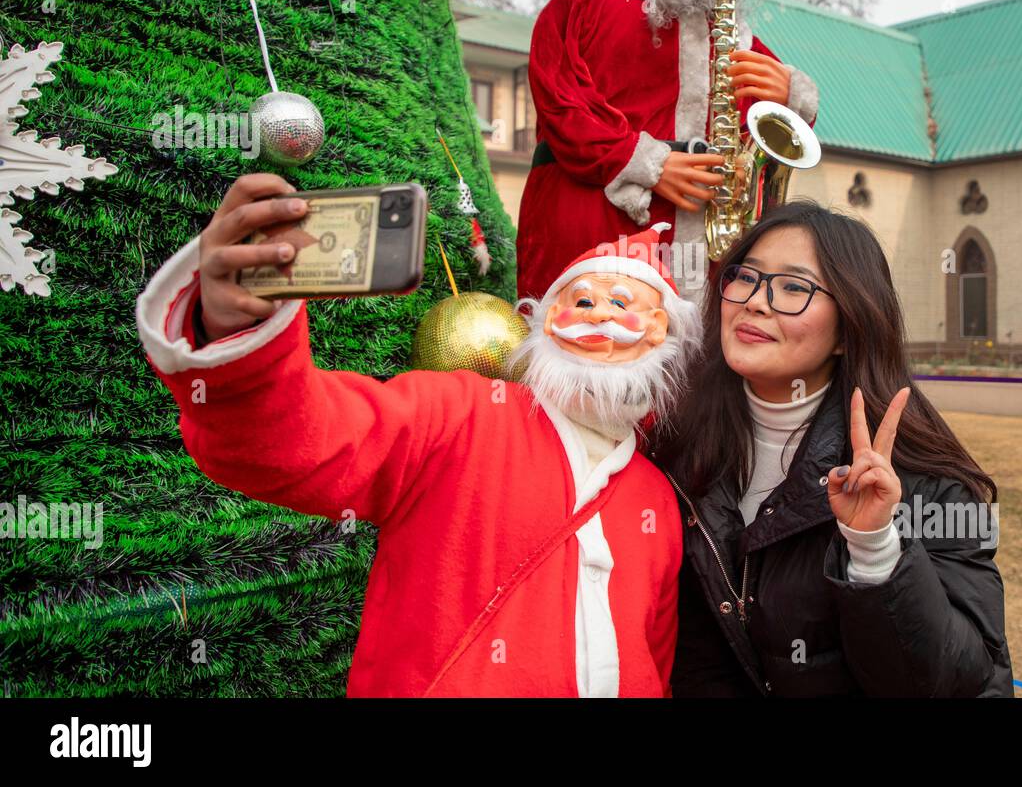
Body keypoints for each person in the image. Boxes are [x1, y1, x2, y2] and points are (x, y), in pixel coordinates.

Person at [135, 173, 703, 697]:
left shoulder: (657, 499)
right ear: (547, 320)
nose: (597, 314)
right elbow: (294, 445)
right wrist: (239, 333)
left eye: (623, 303)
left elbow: (653, 661)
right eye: (581, 299)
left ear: (663, 335)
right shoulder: (457, 413)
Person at [648, 200, 1012, 696]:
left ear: (848, 328)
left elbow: (958, 681)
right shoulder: (671, 445)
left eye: (795, 287)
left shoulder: (924, 482)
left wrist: (875, 547)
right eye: (746, 276)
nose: (755, 301)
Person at [515, 0, 820, 308]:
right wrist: (650, 163)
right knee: (596, 354)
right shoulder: (574, 6)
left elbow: (771, 122)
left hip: (709, 233)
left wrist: (786, 93)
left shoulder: (726, 24)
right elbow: (564, 107)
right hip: (601, 218)